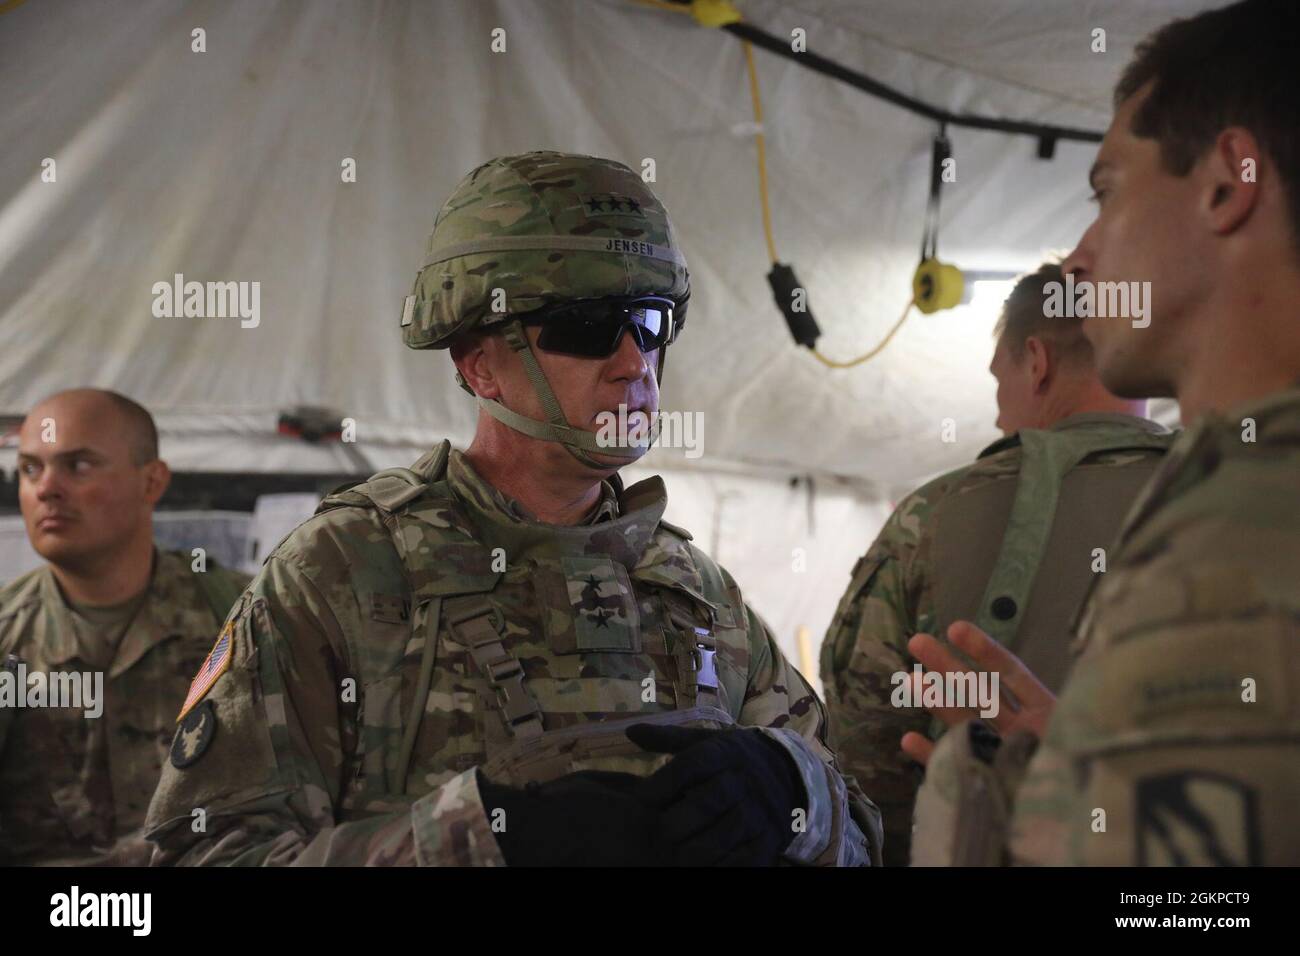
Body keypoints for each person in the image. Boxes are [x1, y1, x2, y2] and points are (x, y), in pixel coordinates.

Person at [145, 150, 882, 866]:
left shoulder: (699, 593)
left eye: (651, 323)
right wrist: (475, 839)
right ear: (480, 364)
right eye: (588, 326)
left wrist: (797, 796)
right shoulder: (342, 572)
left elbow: (865, 838)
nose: (634, 363)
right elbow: (206, 850)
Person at [904, 0, 1300, 865]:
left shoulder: (1250, 523)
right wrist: (1077, 771)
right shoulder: (1222, 486)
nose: (1080, 258)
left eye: (1107, 191)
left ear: (1227, 183)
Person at [820, 262, 1172, 864]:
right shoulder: (1242, 495)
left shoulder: (931, 515)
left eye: (997, 380)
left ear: (1036, 361)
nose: (999, 416)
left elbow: (863, 764)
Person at [0, 388, 249, 864]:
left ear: (151, 482)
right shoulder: (9, 637)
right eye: (30, 469)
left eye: (78, 465)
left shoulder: (241, 617)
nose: (46, 489)